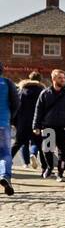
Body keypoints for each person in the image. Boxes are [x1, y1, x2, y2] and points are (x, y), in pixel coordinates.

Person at [32, 69, 65, 178]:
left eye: (64, 78)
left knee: (63, 152)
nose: (63, 80)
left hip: (63, 127)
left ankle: (60, 172)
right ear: (53, 79)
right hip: (48, 126)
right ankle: (49, 167)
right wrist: (36, 126)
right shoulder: (45, 93)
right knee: (47, 150)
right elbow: (38, 110)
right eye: (60, 78)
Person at [13, 72, 43, 170]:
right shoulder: (42, 91)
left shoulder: (21, 90)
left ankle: (25, 163)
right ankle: (33, 154)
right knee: (36, 142)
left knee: (21, 143)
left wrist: (14, 122)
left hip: (22, 121)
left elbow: (16, 106)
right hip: (37, 121)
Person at [0, 63, 18, 195]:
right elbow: (16, 103)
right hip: (3, 123)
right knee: (5, 153)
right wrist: (10, 118)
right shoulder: (7, 83)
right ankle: (4, 176)